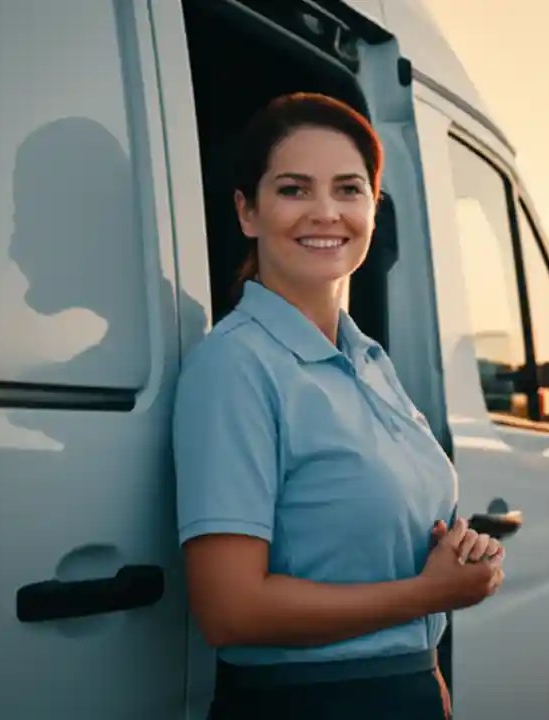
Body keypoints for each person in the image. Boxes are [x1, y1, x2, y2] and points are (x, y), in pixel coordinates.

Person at [171, 93, 506, 719]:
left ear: (372, 210)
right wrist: (429, 593)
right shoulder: (235, 364)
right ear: (247, 210)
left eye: (349, 190)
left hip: (406, 689)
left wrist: (456, 562)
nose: (326, 212)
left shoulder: (369, 359)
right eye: (294, 190)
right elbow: (230, 610)